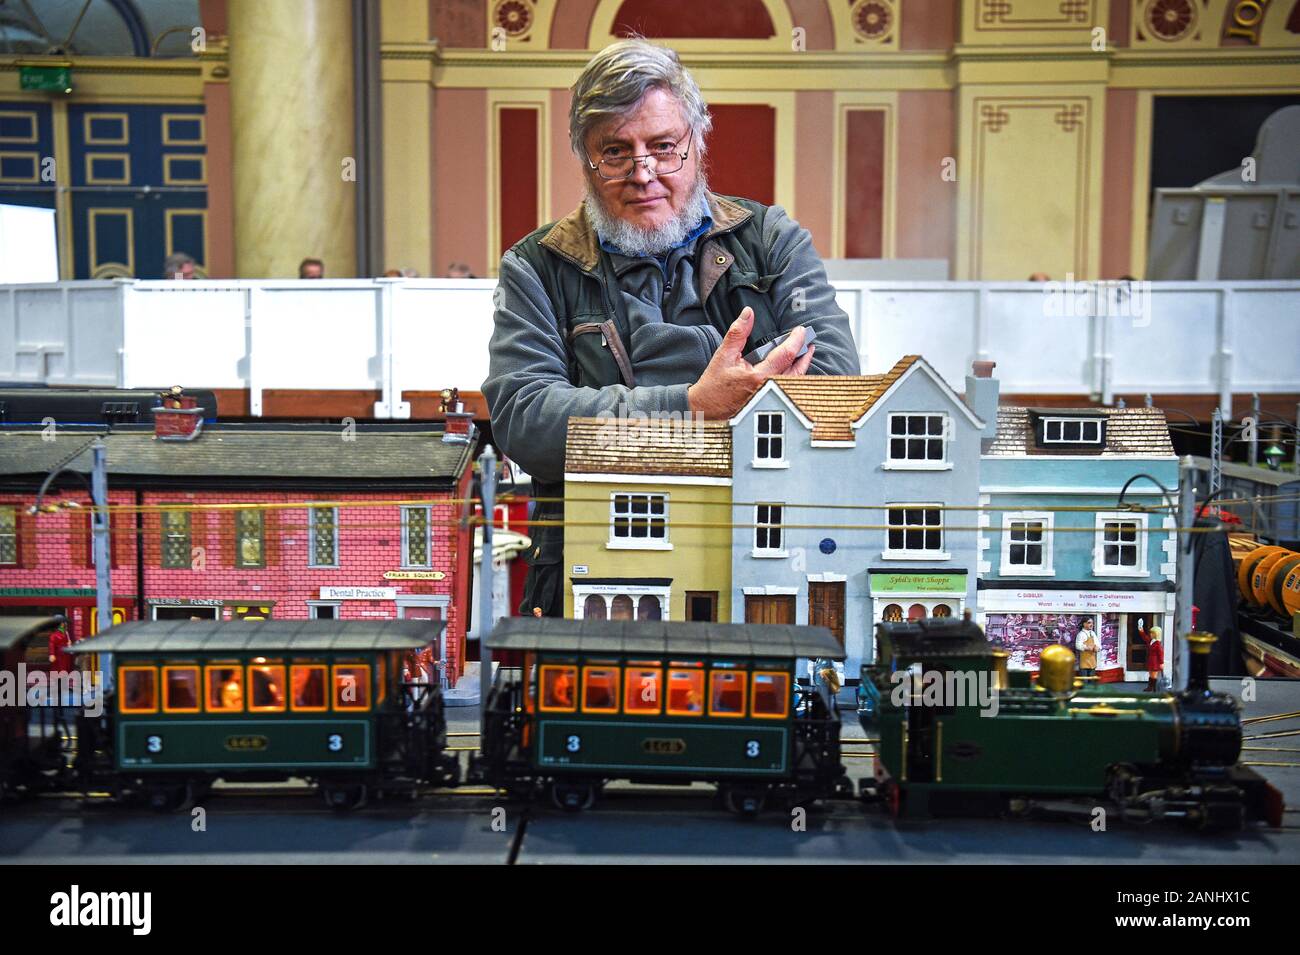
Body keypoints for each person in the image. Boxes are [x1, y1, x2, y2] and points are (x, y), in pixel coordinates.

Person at [484, 39, 860, 617]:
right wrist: (692, 405)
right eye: (615, 152)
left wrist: (636, 412)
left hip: (759, 559)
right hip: (596, 576)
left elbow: (834, 381)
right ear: (585, 158)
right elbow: (527, 422)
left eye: (663, 147)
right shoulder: (536, 266)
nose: (643, 173)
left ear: (697, 143)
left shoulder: (773, 239)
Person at [1138, 622, 1164, 691]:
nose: (1150, 634)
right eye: (1151, 633)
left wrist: (1161, 663)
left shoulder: (1158, 644)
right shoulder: (1151, 641)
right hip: (1150, 660)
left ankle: (1154, 688)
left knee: (1154, 675)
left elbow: (1160, 653)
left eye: (1152, 633)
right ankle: (1150, 687)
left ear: (1156, 634)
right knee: (1151, 674)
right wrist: (1141, 629)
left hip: (1155, 661)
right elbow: (1144, 637)